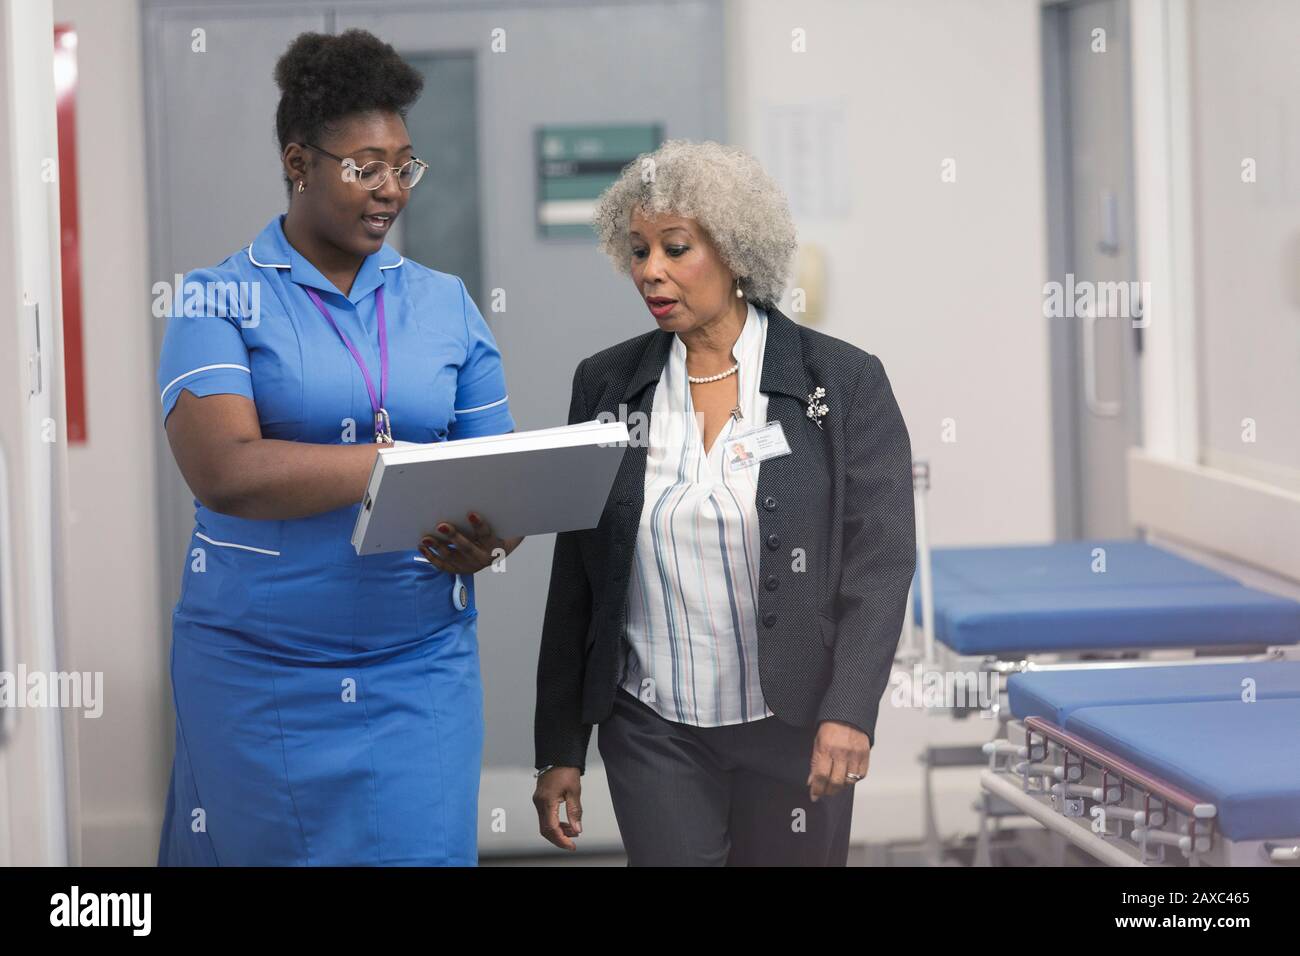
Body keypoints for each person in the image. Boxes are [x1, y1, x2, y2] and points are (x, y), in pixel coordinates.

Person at [156, 29, 519, 866]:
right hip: (260, 674)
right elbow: (227, 472)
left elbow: (494, 474)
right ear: (298, 161)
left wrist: (488, 534)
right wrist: (402, 468)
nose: (391, 189)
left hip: (419, 668)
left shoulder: (446, 304)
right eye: (365, 167)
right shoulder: (218, 299)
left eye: (404, 165)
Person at [532, 140, 915, 865]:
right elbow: (579, 574)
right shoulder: (607, 384)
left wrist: (849, 711)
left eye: (676, 248)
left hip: (797, 723)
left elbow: (882, 564)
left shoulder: (842, 381)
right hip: (653, 727)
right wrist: (559, 748)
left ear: (737, 251)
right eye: (638, 251)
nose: (651, 271)